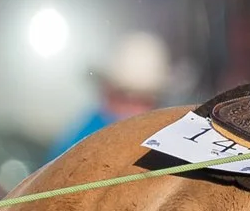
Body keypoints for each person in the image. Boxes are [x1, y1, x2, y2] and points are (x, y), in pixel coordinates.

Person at [50, 29, 172, 157]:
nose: (134, 110)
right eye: (124, 97)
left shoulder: (167, 140)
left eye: (144, 100)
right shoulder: (76, 144)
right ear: (106, 91)